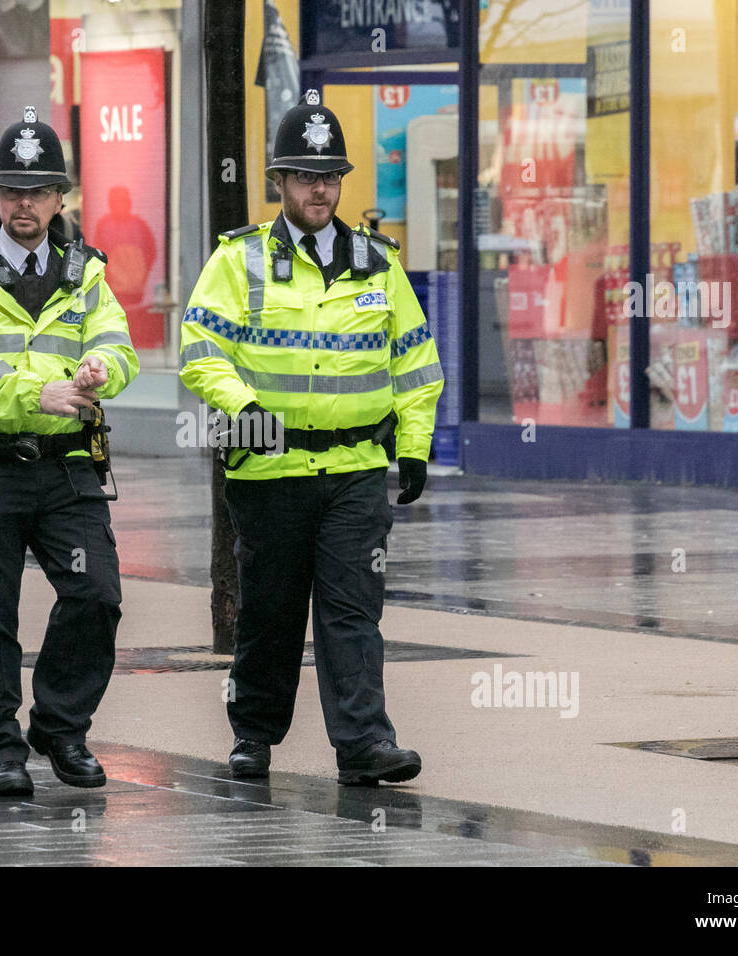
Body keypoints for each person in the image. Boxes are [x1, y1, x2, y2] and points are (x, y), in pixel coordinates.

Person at [180, 90, 444, 786]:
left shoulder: (378, 263)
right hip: (270, 469)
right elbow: (201, 349)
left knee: (353, 610)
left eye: (329, 176)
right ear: (280, 183)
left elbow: (415, 363)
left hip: (356, 468)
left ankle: (364, 745)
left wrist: (414, 444)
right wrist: (245, 409)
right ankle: (255, 735)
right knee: (270, 613)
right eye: (305, 176)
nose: (319, 188)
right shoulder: (238, 262)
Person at [0, 106, 138, 797]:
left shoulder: (87, 270)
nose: (25, 204)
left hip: (66, 465)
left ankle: (59, 725)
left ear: (59, 198)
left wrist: (102, 371)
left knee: (97, 595)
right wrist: (35, 394)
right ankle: (0, 750)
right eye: (13, 190)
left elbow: (117, 342)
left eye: (39, 191)